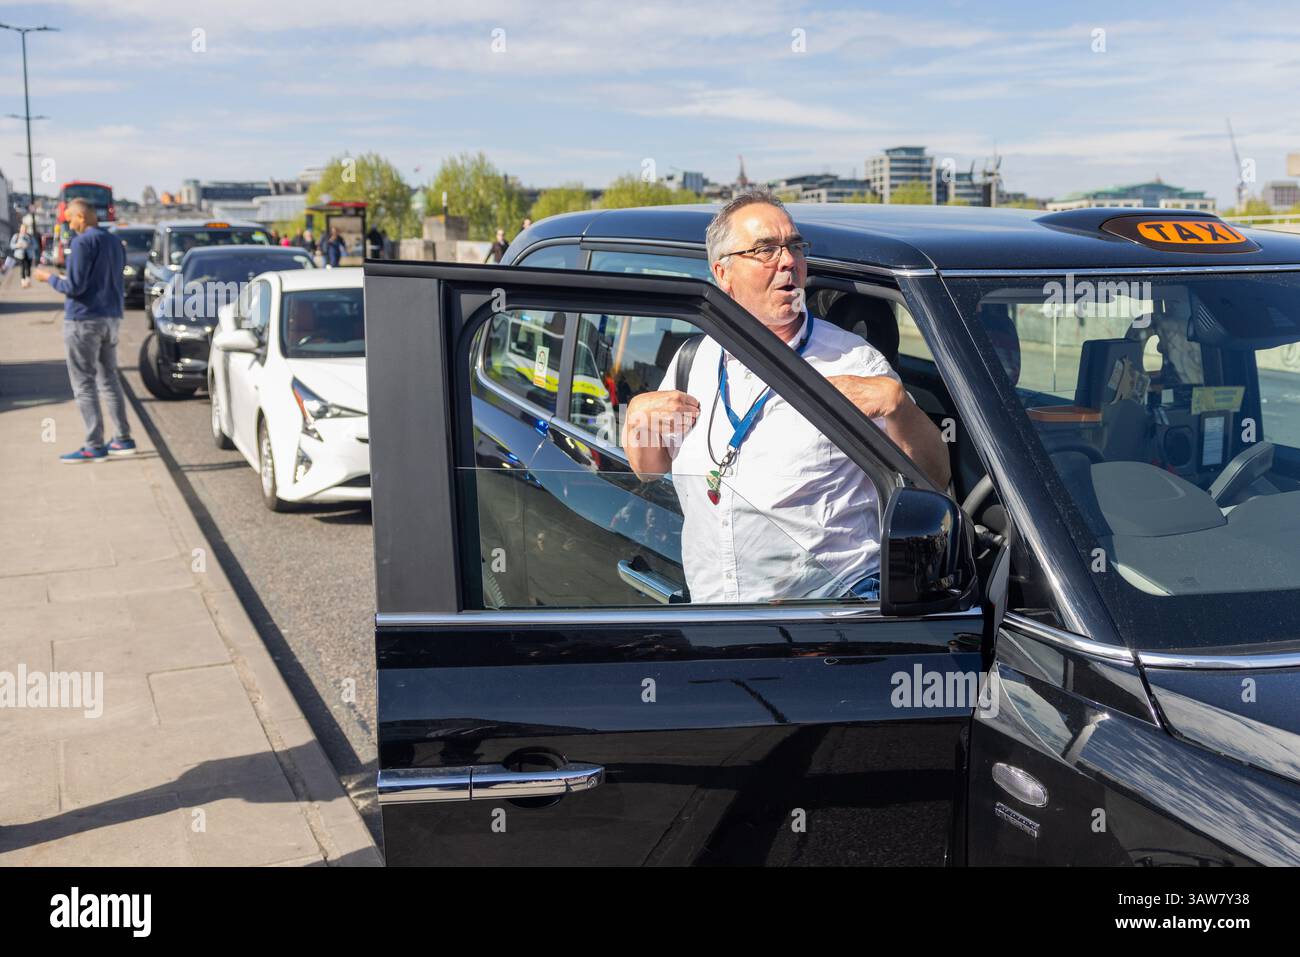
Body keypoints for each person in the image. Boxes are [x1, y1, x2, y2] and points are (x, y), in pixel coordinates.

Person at [622, 188, 949, 604]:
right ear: (723, 274)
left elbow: (935, 479)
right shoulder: (694, 359)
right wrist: (635, 421)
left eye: (794, 246)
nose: (788, 260)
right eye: (764, 249)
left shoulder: (854, 361)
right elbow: (649, 468)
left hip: (827, 618)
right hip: (714, 614)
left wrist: (898, 407)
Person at [33, 198, 135, 463]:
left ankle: (94, 444)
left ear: (82, 216)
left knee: (84, 383)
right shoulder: (114, 242)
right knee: (109, 379)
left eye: (70, 219)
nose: (68, 224)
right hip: (111, 318)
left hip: (83, 320)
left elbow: (74, 287)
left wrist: (48, 278)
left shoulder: (81, 243)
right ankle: (123, 438)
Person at [9, 222, 35, 288]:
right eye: (22, 228)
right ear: (20, 229)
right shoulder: (16, 236)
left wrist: (28, 245)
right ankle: (23, 283)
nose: (24, 230)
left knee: (28, 268)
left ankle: (28, 282)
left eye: (25, 229)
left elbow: (35, 245)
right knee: (22, 268)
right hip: (20, 255)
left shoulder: (29, 236)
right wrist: (17, 245)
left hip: (29, 254)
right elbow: (11, 245)